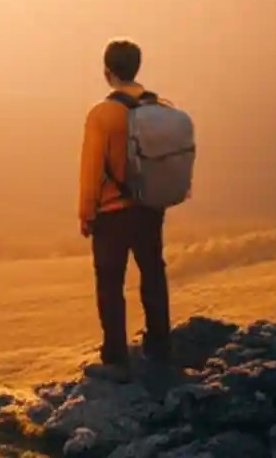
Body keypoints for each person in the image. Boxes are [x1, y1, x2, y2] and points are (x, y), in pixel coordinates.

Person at [78, 39, 171, 382]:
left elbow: (91, 170)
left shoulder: (101, 115)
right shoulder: (159, 107)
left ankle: (115, 358)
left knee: (110, 282)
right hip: (150, 208)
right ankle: (160, 345)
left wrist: (86, 212)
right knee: (153, 272)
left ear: (108, 72)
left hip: (112, 213)